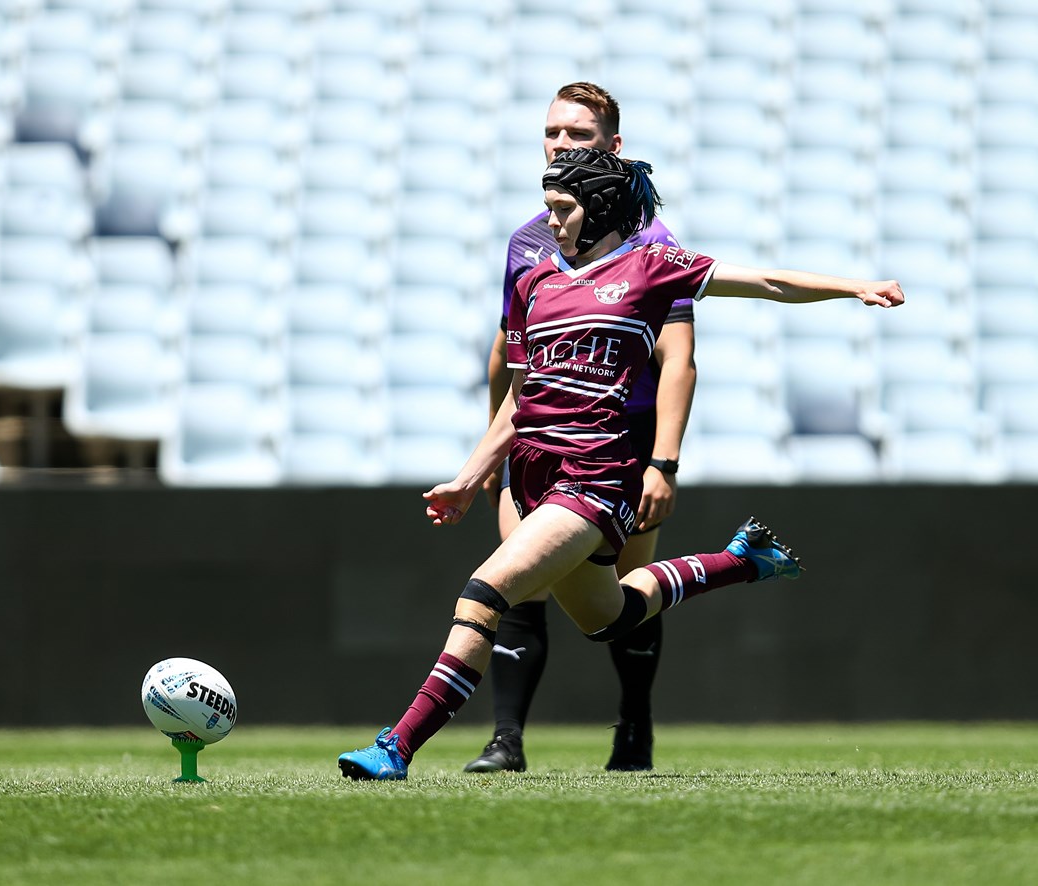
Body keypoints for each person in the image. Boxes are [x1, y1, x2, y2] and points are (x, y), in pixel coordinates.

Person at [338, 147, 904, 781]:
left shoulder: (652, 266)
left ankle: (398, 746)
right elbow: (519, 402)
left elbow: (768, 282)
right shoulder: (534, 283)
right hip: (530, 477)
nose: (548, 222)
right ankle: (739, 561)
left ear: (600, 208)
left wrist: (856, 286)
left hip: (594, 480)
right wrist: (470, 480)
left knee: (484, 593)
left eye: (562, 209)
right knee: (610, 617)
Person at [466, 81, 693, 775]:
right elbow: (510, 353)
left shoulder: (653, 243)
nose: (561, 145)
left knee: (626, 593)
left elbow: (678, 360)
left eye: (580, 136)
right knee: (519, 582)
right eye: (553, 133)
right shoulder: (529, 241)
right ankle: (506, 741)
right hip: (539, 441)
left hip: (620, 445)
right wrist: (493, 454)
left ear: (614, 149)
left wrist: (664, 463)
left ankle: (635, 726)